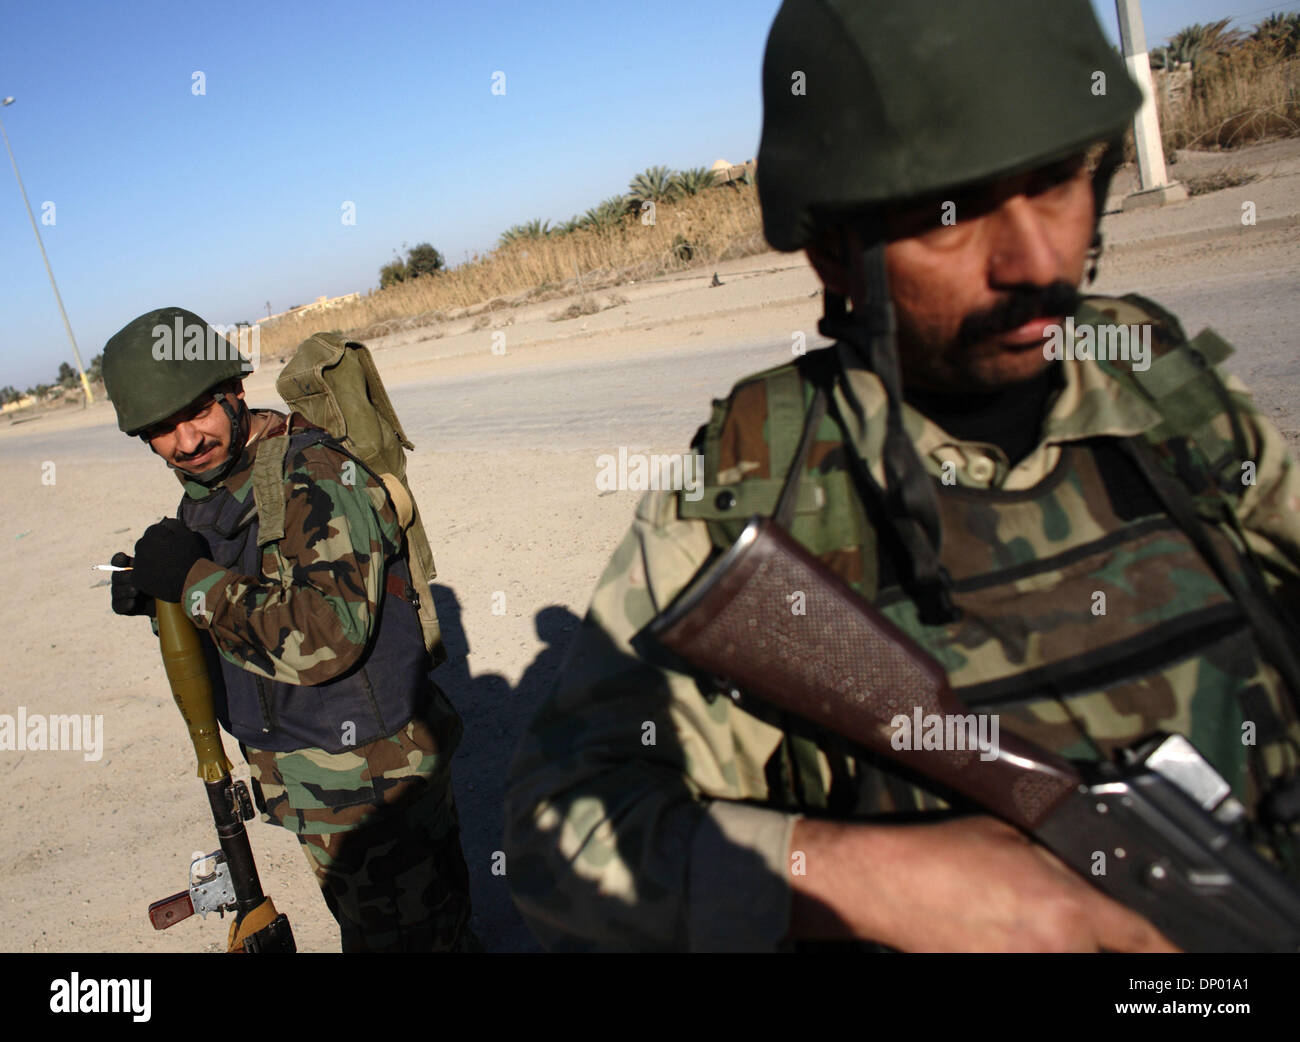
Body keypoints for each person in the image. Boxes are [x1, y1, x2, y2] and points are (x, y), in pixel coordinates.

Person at [503, 0, 1300, 951]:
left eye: (1055, 183)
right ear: (834, 249)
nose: (1035, 260)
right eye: (951, 212)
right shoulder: (761, 475)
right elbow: (557, 832)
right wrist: (865, 878)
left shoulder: (1163, 380)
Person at [103, 306, 475, 952]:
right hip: (310, 778)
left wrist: (191, 582)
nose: (186, 441)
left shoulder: (318, 476)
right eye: (161, 430)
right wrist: (157, 593)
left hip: (374, 785)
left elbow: (325, 633)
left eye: (197, 413)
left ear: (233, 391)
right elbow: (248, 592)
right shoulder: (217, 486)